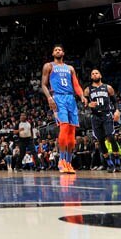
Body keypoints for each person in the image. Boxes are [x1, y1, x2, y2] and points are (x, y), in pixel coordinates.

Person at [41, 44, 85, 174]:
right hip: (58, 98)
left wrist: (81, 95)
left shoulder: (70, 68)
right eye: (55, 50)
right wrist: (49, 98)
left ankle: (68, 162)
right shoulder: (49, 66)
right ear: (53, 54)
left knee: (72, 133)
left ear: (63, 53)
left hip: (70, 99)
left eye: (60, 49)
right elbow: (43, 84)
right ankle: (61, 159)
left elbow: (76, 84)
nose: (58, 51)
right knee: (64, 127)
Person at [85, 69, 121, 172]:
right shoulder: (88, 90)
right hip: (95, 117)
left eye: (96, 73)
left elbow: (115, 101)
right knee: (101, 140)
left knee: (110, 136)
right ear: (91, 77)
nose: (94, 74)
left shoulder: (108, 87)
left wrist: (117, 111)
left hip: (106, 114)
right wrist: (88, 104)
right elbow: (84, 103)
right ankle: (109, 164)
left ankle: (117, 162)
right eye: (92, 73)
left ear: (100, 75)